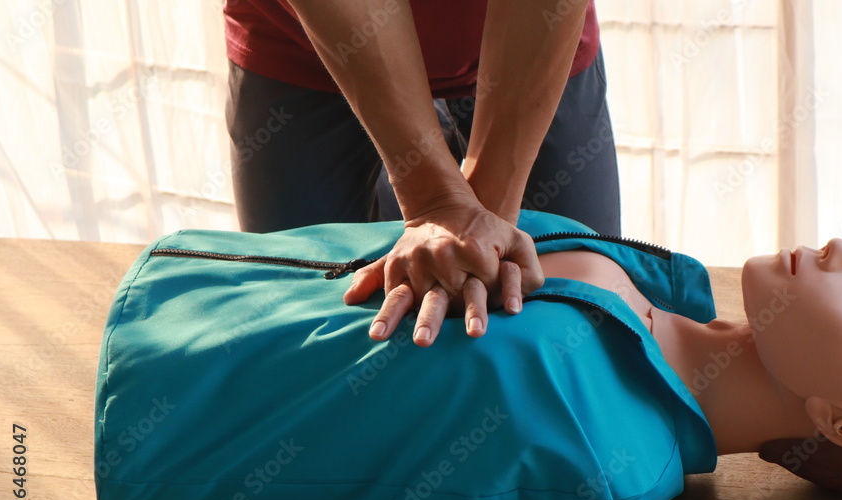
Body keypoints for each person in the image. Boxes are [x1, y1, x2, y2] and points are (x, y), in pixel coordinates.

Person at [93, 211, 842, 500]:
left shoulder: (591, 467)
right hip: (187, 275)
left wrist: (150, 445)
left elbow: (324, 485)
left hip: (146, 402)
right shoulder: (663, 285)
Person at [224, 0, 622, 346]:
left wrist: (482, 226)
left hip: (533, 39)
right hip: (302, 45)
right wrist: (436, 203)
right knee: (299, 328)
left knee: (583, 318)